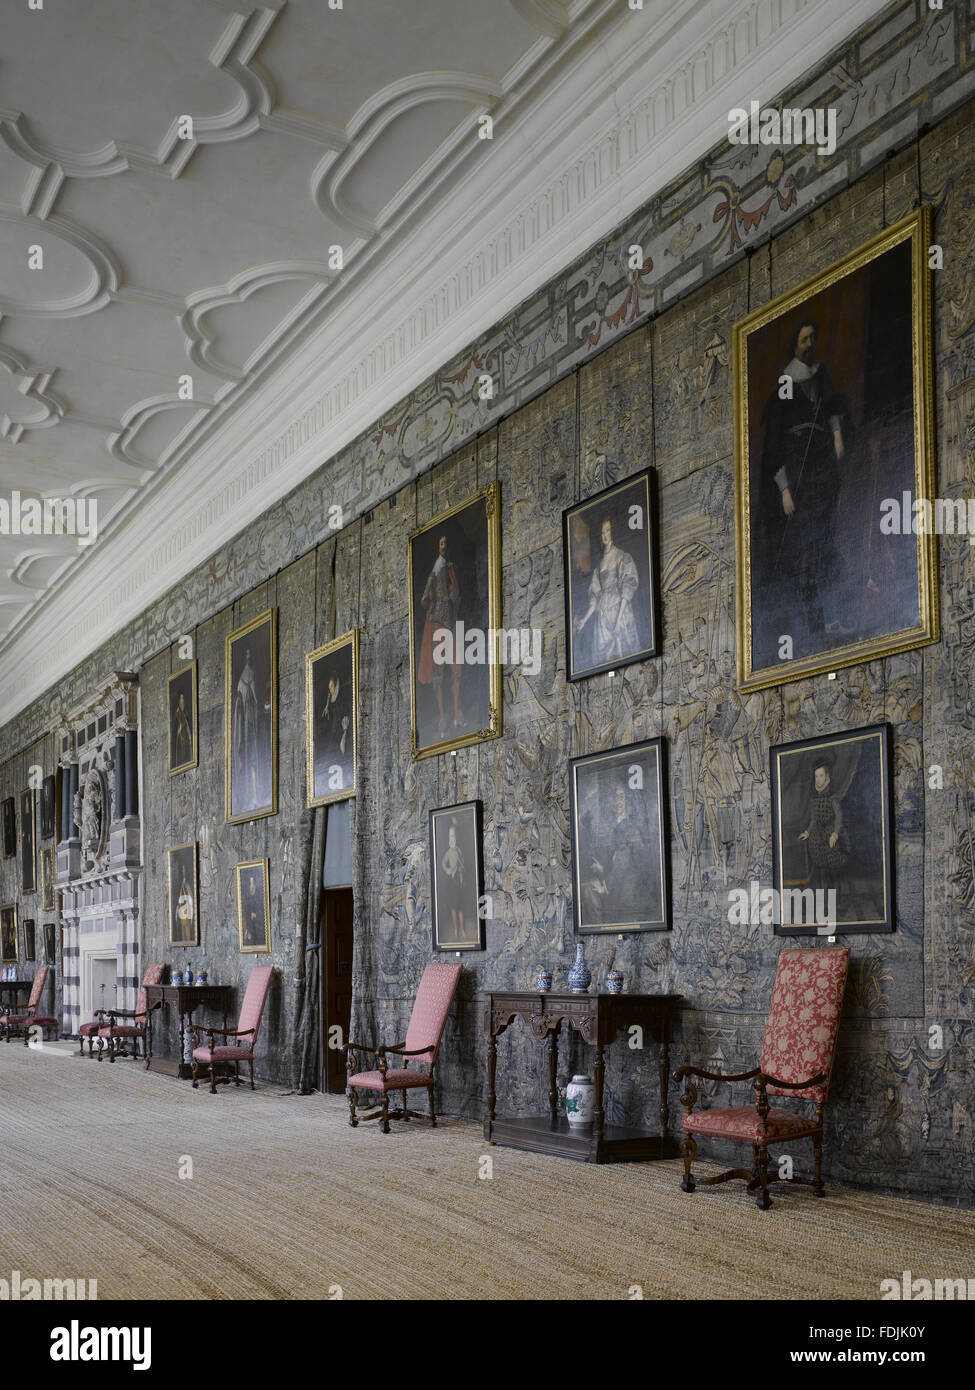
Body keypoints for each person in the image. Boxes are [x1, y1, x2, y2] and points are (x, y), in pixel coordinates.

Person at [759, 318, 854, 649]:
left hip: (820, 472)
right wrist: (784, 489)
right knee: (805, 556)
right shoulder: (786, 386)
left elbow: (833, 408)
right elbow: (775, 448)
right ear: (794, 346)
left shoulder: (821, 377)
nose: (810, 344)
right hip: (797, 474)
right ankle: (810, 626)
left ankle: (827, 620)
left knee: (823, 547)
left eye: (813, 338)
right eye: (804, 340)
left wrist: (838, 435)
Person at [573, 517, 639, 666]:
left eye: (607, 530)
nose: (604, 535)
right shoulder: (599, 566)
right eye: (602, 532)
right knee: (604, 662)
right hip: (602, 618)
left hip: (619, 613)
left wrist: (618, 620)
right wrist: (584, 620)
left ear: (612, 532)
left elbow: (628, 587)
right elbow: (595, 597)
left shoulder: (622, 557)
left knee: (624, 657)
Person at [417, 534, 461, 734]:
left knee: (456, 667)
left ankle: (456, 714)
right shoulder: (434, 573)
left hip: (451, 620)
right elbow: (424, 599)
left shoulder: (451, 568)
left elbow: (456, 592)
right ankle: (443, 714)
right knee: (439, 671)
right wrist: (435, 605)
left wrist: (453, 596)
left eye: (446, 543)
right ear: (438, 546)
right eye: (441, 543)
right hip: (437, 624)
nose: (444, 546)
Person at [798, 756, 850, 898]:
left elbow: (839, 817)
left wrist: (835, 834)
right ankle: (824, 897)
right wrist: (807, 832)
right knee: (820, 867)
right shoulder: (813, 798)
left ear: (827, 777)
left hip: (831, 834)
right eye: (816, 776)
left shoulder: (832, 797)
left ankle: (836, 895)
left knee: (832, 866)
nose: (818, 779)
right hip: (817, 836)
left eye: (821, 775)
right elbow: (813, 820)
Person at [232, 645, 261, 810]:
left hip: (249, 719)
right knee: (247, 756)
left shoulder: (249, 675)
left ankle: (253, 797)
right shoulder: (247, 675)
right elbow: (247, 696)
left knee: (252, 757)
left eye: (250, 654)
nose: (249, 657)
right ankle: (247, 797)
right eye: (247, 654)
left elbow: (253, 697)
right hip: (247, 720)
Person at [438, 823, 472, 943]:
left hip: (460, 881)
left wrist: (462, 869)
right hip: (452, 882)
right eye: (451, 837)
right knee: (454, 907)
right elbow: (443, 863)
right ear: (448, 839)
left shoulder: (459, 850)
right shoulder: (448, 852)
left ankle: (462, 929)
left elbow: (463, 863)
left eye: (454, 837)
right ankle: (456, 929)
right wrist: (448, 870)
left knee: (461, 908)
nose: (452, 840)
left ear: (456, 839)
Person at [173, 690, 193, 767]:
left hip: (185, 732)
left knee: (186, 748)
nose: (182, 702)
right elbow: (175, 722)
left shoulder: (185, 712)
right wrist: (181, 726)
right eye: (181, 700)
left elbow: (187, 723)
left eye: (183, 700)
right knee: (181, 749)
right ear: (179, 702)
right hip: (180, 732)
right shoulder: (177, 711)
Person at [174, 870, 194, 943]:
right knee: (183, 931)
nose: (183, 872)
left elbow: (191, 896)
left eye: (184, 870)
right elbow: (179, 898)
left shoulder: (187, 885)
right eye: (181, 870)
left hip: (186, 909)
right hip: (181, 910)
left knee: (186, 929)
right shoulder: (181, 885)